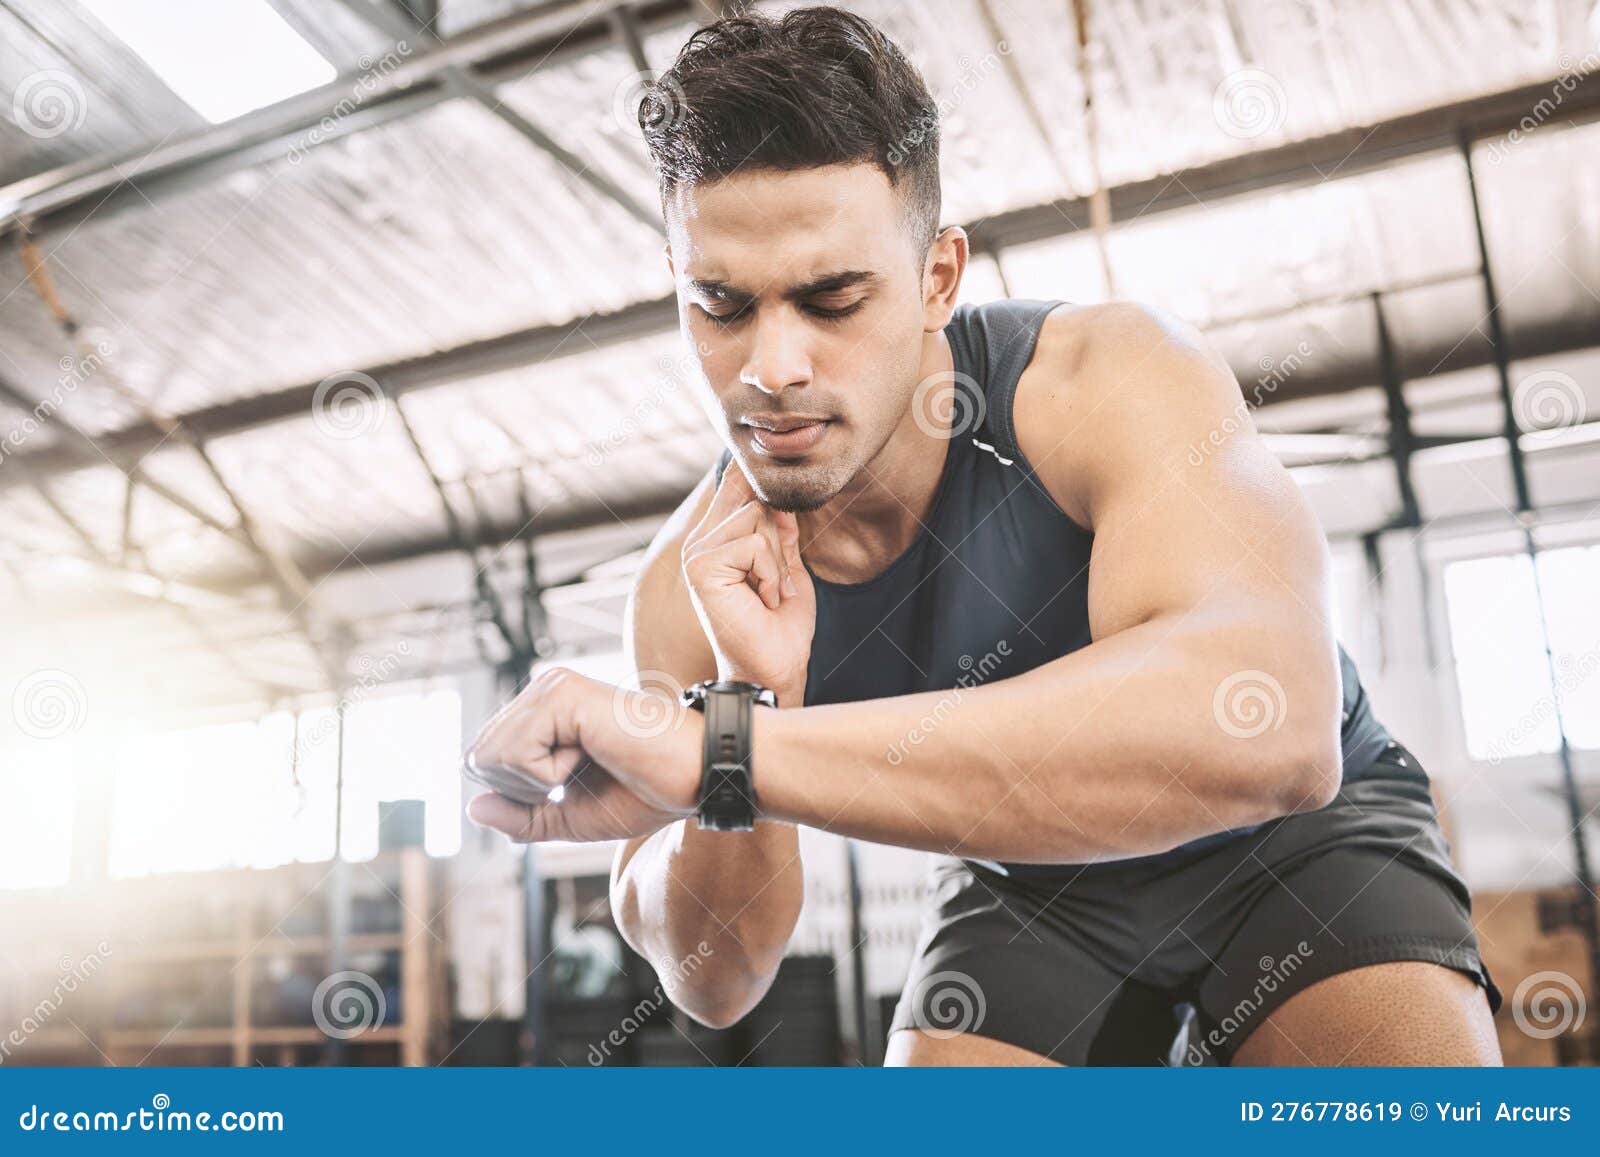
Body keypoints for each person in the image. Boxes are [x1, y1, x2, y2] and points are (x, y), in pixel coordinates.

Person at [466, 6, 1503, 1066]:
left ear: (937, 278)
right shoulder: (686, 584)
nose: (770, 365)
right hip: (1028, 881)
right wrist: (744, 708)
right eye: (720, 305)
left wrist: (725, 749)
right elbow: (716, 979)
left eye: (831, 299)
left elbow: (1272, 730)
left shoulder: (1099, 378)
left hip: (1291, 851)